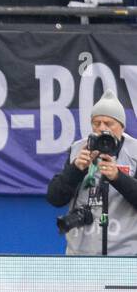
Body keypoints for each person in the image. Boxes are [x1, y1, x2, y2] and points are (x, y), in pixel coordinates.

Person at [46, 90, 137, 256]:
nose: (102, 128)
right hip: (80, 255)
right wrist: (76, 169)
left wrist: (118, 177)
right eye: (96, 123)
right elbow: (55, 198)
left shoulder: (134, 152)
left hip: (125, 257)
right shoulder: (78, 149)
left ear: (122, 126)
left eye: (108, 123)